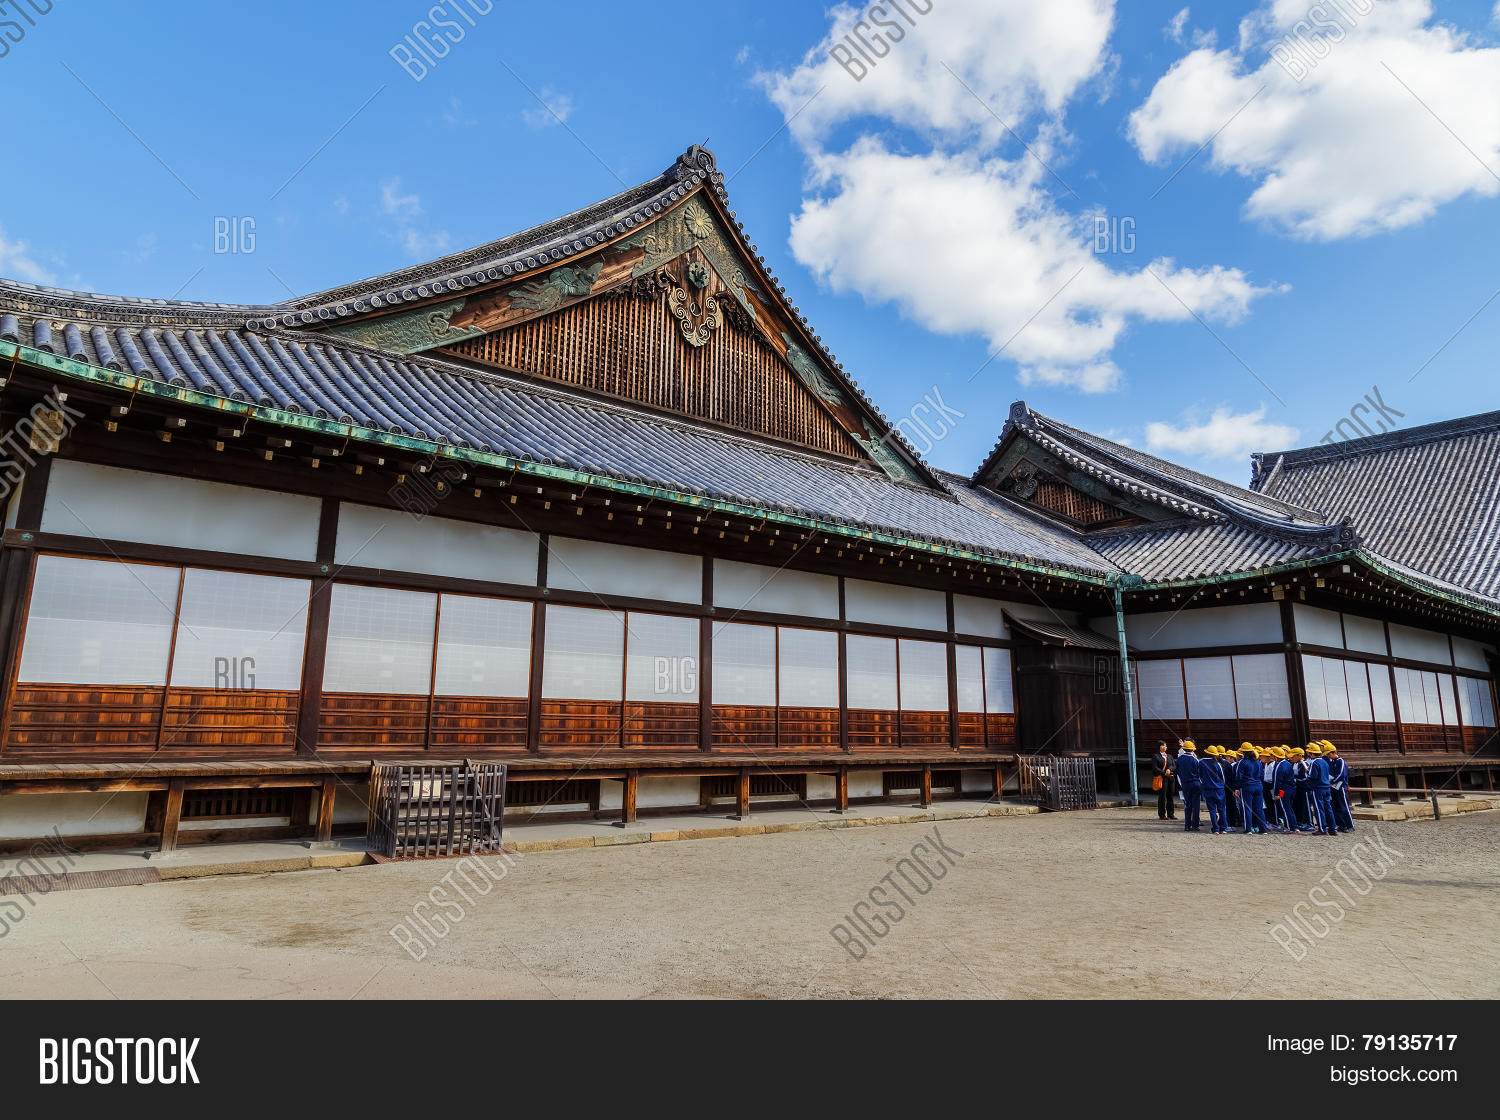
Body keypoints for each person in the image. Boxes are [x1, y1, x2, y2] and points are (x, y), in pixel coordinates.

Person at [1234, 745, 1268, 835]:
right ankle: (1263, 829)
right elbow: (1261, 775)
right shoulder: (1258, 762)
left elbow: (1239, 776)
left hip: (1247, 786)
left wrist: (1237, 788)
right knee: (1259, 808)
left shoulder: (1242, 762)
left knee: (1247, 808)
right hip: (1258, 785)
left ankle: (1248, 829)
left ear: (1243, 752)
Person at [1305, 743, 1338, 836]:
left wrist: (1307, 772)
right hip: (1326, 787)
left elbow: (1313, 776)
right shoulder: (1324, 762)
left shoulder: (1314, 763)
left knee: (1319, 808)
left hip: (1318, 788)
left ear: (1312, 754)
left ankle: (1322, 829)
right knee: (1328, 808)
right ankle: (1332, 828)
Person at [1324, 741, 1355, 832]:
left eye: (1329, 754)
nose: (1328, 756)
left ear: (1334, 753)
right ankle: (1341, 824)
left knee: (1344, 806)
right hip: (1333, 787)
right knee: (1336, 806)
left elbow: (1341, 774)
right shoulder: (1332, 762)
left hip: (1340, 787)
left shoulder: (1340, 761)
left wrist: (1332, 781)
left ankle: (1350, 825)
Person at [1199, 745, 1227, 834]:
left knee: (1212, 810)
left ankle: (1215, 829)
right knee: (1222, 809)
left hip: (1208, 789)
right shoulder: (1217, 763)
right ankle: (1223, 828)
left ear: (1207, 752)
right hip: (1219, 789)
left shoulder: (1201, 762)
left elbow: (1199, 775)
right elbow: (1223, 778)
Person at [1272, 747, 1299, 832]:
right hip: (1291, 788)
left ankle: (1290, 828)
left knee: (1285, 808)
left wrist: (1276, 794)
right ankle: (1295, 826)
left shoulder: (1279, 765)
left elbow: (1277, 781)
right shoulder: (1288, 763)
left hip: (1283, 790)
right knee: (1289, 808)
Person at [1177, 740, 1202, 832]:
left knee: (1188, 805)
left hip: (1185, 783)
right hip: (1195, 783)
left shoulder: (1180, 759)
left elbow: (1178, 771)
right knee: (1196, 805)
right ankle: (1195, 825)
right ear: (1192, 750)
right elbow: (1199, 772)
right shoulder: (1195, 759)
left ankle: (1187, 825)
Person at [1151, 741, 1176, 821]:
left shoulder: (1170, 756)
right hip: (1162, 778)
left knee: (1170, 796)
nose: (1164, 747)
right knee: (1162, 796)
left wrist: (1169, 770)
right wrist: (1164, 772)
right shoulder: (1156, 756)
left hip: (1170, 778)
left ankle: (1171, 814)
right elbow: (1155, 767)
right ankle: (1162, 815)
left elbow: (1174, 765)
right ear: (1159, 747)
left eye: (1165, 746)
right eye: (1163, 745)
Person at [1290, 747, 1313, 831]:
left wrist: (1296, 780)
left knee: (1306, 806)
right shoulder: (1294, 763)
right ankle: (1300, 822)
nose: (1291, 758)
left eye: (1293, 756)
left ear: (1299, 756)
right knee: (1299, 806)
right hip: (1297, 788)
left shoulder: (1305, 763)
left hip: (1305, 788)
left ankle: (1310, 823)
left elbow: (1307, 777)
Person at [1222, 747, 1241, 831]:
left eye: (1227, 757)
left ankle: (1234, 822)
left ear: (1232, 758)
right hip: (1232, 788)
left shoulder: (1232, 765)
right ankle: (1236, 821)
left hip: (1231, 788)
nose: (1226, 758)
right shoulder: (1230, 765)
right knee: (1233, 805)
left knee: (1232, 806)